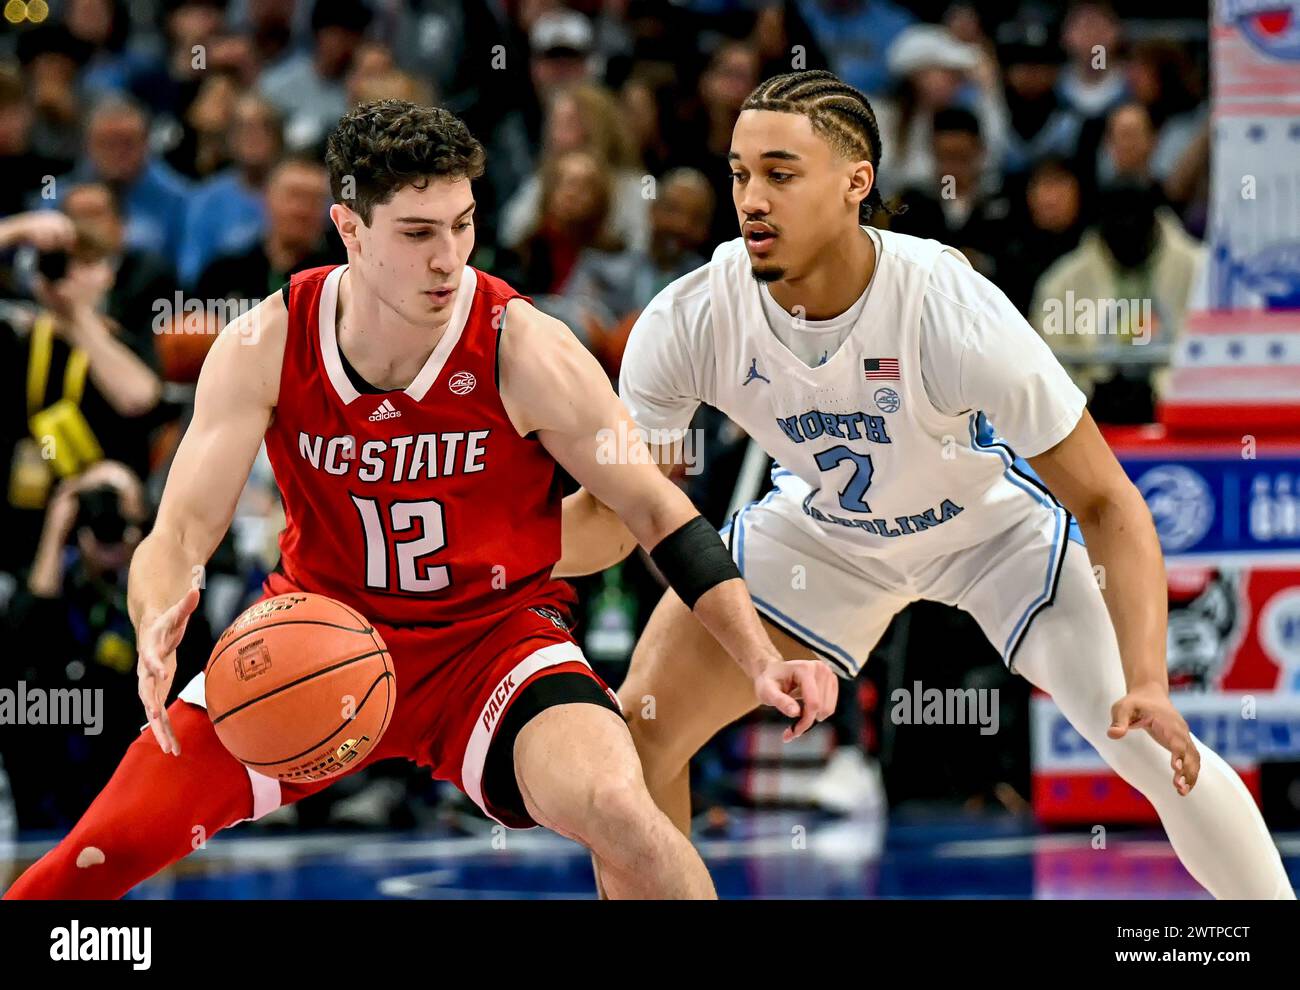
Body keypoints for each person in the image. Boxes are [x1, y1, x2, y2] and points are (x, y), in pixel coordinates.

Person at [4, 100, 833, 901]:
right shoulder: (266, 340)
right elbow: (180, 529)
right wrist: (157, 615)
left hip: (492, 643)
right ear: (350, 229)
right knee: (94, 857)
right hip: (312, 638)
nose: (450, 257)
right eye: (418, 232)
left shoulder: (524, 345)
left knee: (620, 808)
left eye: (463, 225)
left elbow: (655, 512)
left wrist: (758, 656)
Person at [565, 70, 1293, 900]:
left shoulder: (949, 305)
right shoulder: (689, 318)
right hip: (828, 538)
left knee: (1154, 749)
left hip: (989, 535)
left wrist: (1151, 680)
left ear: (856, 182)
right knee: (640, 730)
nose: (751, 199)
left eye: (780, 173)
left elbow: (1106, 501)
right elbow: (620, 517)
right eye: (739, 174)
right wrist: (489, 538)